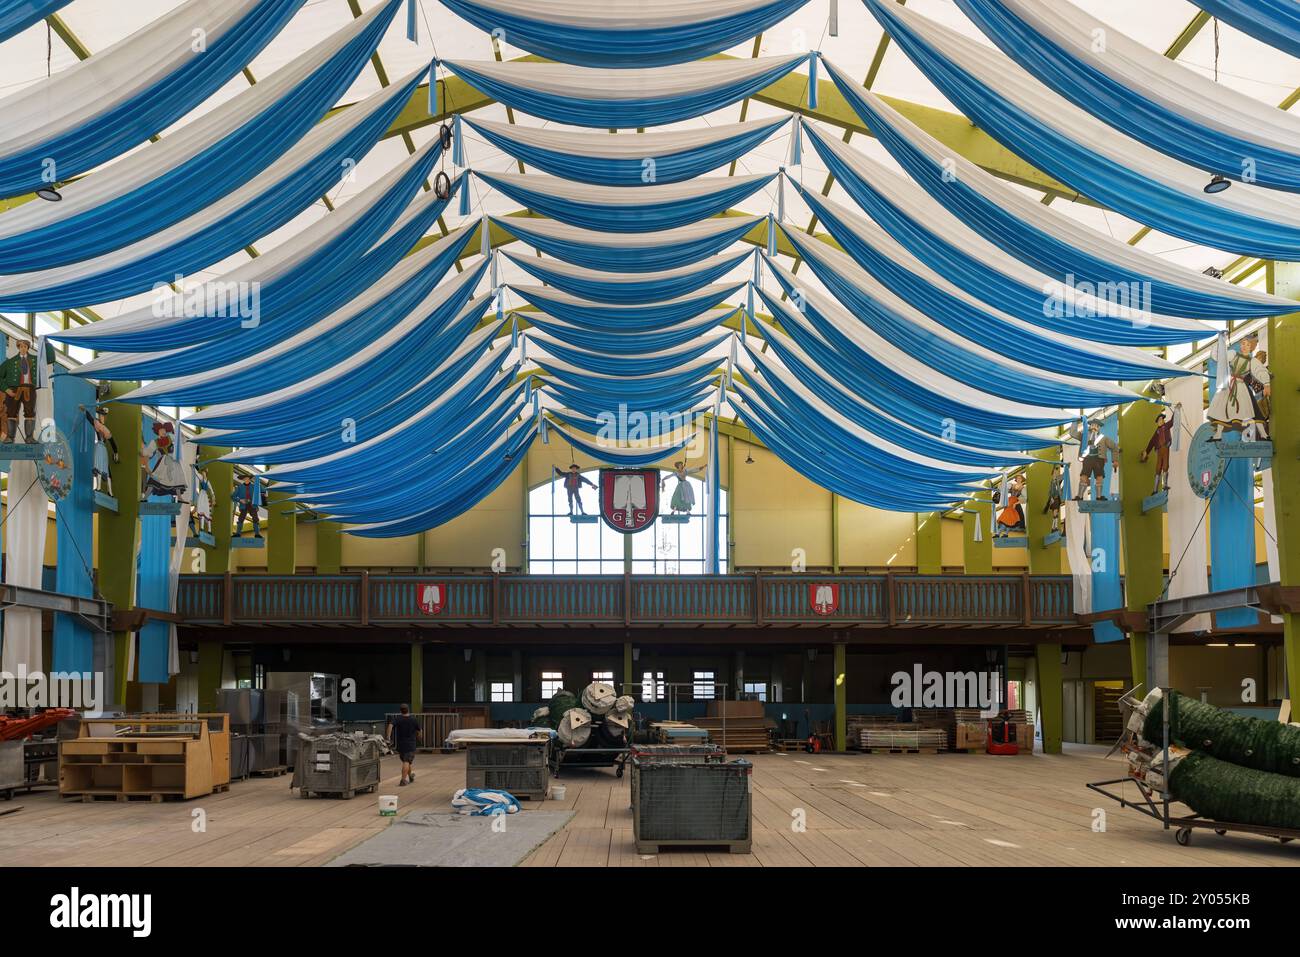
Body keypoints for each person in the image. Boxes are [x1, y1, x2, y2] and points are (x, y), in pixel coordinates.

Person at [1208, 332, 1270, 441]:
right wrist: (1221, 342)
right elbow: (1220, 357)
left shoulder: (1253, 361)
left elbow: (1260, 371)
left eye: (1247, 345)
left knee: (1251, 411)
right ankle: (1218, 435)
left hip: (1241, 387)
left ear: (1251, 347)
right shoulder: (1233, 354)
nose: (1244, 346)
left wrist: (1266, 384)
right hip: (1230, 385)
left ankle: (1264, 435)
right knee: (1222, 408)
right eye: (1243, 344)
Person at [0, 338, 37, 443]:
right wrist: (6, 389)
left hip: (29, 388)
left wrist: (47, 343)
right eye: (21, 346)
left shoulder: (36, 359)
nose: (23, 348)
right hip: (14, 389)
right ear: (18, 348)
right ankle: (10, 437)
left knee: (30, 412)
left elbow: (50, 358)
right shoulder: (10, 362)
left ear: (28, 348)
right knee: (11, 412)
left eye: (25, 346)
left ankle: (29, 437)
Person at [141, 421, 189, 499]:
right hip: (163, 462)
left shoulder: (170, 437)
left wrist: (179, 432)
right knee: (154, 479)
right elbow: (148, 451)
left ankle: (179, 497)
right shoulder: (155, 442)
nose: (163, 432)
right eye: (161, 431)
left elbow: (182, 440)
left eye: (164, 430)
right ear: (158, 432)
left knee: (177, 478)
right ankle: (145, 497)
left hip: (173, 461)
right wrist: (142, 451)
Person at [1074, 425, 1120, 502]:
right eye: (1092, 425)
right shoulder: (1084, 436)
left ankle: (1099, 497)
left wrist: (1115, 460)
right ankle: (1080, 496)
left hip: (1099, 460)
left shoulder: (1103, 438)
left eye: (1096, 426)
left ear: (1099, 428)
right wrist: (1075, 421)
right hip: (1087, 459)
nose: (1094, 427)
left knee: (1099, 477)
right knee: (1084, 476)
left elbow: (1114, 447)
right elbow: (1073, 433)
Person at [84, 405, 119, 495]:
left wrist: (116, 452)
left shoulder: (102, 427)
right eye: (99, 415)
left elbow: (112, 442)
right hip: (101, 448)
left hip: (101, 448)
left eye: (102, 415)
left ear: (104, 417)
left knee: (101, 467)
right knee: (103, 467)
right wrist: (85, 411)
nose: (100, 417)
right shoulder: (99, 425)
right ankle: (106, 490)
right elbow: (91, 419)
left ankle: (105, 490)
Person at [1140, 409, 1175, 494]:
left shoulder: (1166, 426)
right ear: (1157, 422)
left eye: (1162, 419)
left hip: (1165, 448)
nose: (1161, 421)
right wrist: (1146, 452)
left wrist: (1176, 411)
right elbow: (1151, 442)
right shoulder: (1156, 432)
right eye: (1160, 420)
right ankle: (1155, 489)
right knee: (1158, 467)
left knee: (1166, 465)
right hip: (1159, 450)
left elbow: (1172, 421)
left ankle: (1165, 484)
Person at [386, 704, 422, 786]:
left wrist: (388, 737)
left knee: (407, 761)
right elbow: (419, 731)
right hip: (410, 744)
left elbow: (390, 725)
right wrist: (420, 738)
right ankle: (403, 780)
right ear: (408, 710)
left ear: (400, 711)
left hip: (401, 745)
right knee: (406, 761)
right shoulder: (414, 719)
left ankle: (410, 776)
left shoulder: (398, 719)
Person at [231, 473, 261, 538]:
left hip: (252, 505)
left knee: (255, 518)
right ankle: (238, 533)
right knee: (241, 518)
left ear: (250, 479)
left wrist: (256, 506)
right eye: (245, 479)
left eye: (248, 478)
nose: (246, 480)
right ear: (243, 479)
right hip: (243, 505)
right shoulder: (240, 487)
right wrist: (240, 500)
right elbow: (233, 496)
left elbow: (256, 497)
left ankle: (257, 534)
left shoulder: (253, 487)